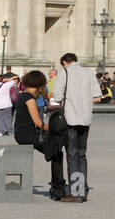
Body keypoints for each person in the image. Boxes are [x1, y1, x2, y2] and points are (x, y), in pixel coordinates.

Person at [50, 53, 102, 201]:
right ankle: (83, 188)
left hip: (71, 119)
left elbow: (58, 97)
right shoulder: (89, 73)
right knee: (82, 154)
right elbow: (97, 97)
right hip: (86, 119)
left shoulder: (64, 73)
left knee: (72, 155)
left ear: (64, 62)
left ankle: (76, 192)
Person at [13, 70, 67, 201]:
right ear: (39, 83)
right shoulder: (29, 98)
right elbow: (37, 122)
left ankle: (56, 184)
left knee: (55, 151)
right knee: (57, 152)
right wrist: (54, 130)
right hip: (28, 135)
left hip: (21, 134)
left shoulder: (23, 95)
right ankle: (57, 187)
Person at [0, 72, 17, 137]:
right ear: (3, 79)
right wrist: (7, 79)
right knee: (7, 118)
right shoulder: (6, 85)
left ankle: (0, 132)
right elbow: (13, 80)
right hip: (6, 104)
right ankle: (9, 131)